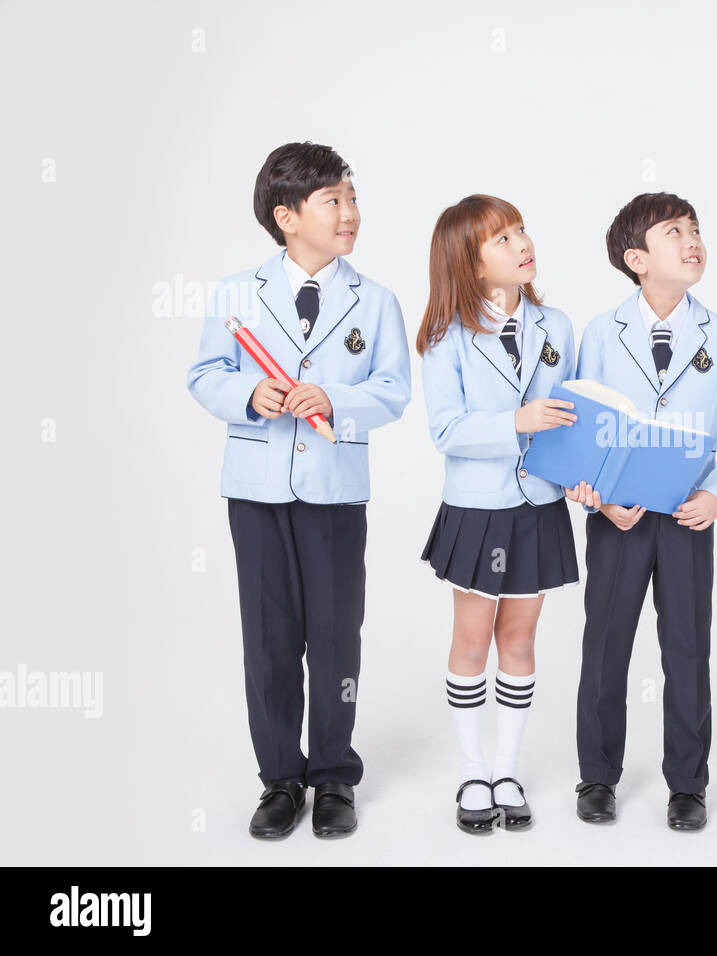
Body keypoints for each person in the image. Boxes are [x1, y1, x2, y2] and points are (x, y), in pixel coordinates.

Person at [186, 141, 411, 839]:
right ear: (287, 217)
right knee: (270, 638)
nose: (350, 213)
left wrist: (334, 398)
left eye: (352, 198)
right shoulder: (234, 294)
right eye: (333, 201)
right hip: (255, 491)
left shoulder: (375, 301)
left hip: (335, 491)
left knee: (337, 636)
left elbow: (393, 391)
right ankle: (280, 778)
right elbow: (203, 376)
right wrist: (252, 390)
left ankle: (334, 775)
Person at [569, 192, 717, 831]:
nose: (691, 239)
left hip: (686, 517)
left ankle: (688, 783)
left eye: (696, 228)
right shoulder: (601, 331)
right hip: (618, 517)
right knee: (606, 647)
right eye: (673, 231)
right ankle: (597, 776)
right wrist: (601, 491)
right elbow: (582, 423)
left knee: (686, 648)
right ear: (636, 259)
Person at [416, 195, 580, 834]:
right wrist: (517, 422)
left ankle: (506, 769)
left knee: (520, 637)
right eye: (503, 239)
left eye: (521, 230)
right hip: (478, 508)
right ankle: (472, 771)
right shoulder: (443, 335)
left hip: (540, 504)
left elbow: (577, 416)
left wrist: (583, 475)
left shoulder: (557, 326)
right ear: (470, 262)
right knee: (472, 637)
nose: (522, 244)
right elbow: (447, 430)